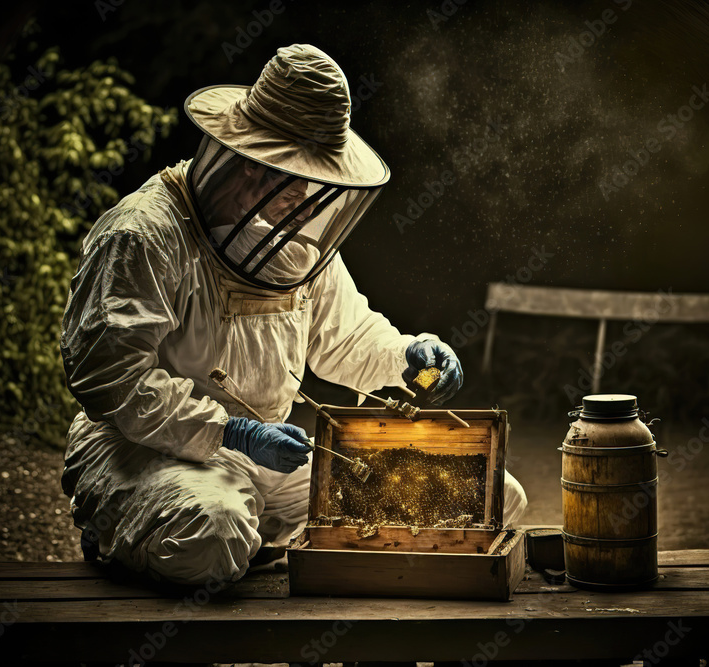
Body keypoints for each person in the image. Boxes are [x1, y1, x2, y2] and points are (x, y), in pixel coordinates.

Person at [59, 43, 527, 587]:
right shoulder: (141, 235)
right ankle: (127, 532)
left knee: (484, 495)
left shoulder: (292, 243)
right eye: (292, 173)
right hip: (142, 450)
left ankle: (269, 548)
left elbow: (346, 338)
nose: (305, 194)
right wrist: (229, 431)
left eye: (314, 176)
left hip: (265, 455)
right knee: (211, 534)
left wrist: (407, 356)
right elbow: (111, 381)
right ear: (247, 160)